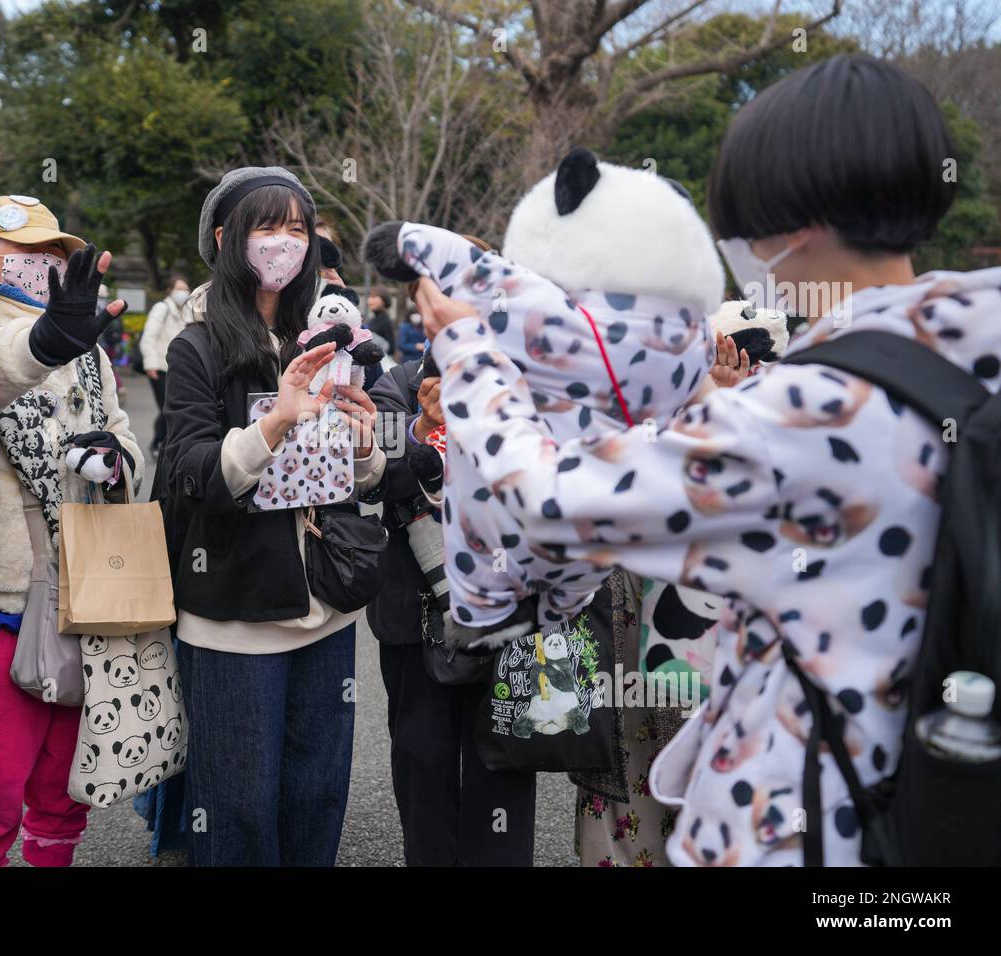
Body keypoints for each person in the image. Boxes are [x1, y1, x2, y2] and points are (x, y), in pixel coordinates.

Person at [413, 54, 975, 866]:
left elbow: (551, 503)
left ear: (797, 222)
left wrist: (469, 353)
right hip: (944, 789)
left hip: (812, 817)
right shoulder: (970, 355)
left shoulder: (810, 409)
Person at [154, 166, 386, 866]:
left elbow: (354, 478)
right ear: (226, 239)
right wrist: (274, 424)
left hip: (327, 608)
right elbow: (186, 472)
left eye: (297, 229)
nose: (285, 244)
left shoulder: (328, 341)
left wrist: (367, 448)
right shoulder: (195, 347)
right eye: (267, 227)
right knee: (238, 811)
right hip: (233, 619)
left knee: (316, 798)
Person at [0, 195, 144, 867]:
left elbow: (123, 431)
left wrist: (119, 461)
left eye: (54, 257)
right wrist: (52, 336)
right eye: (27, 258)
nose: (45, 267)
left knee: (65, 784)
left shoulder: (89, 354)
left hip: (88, 593)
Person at [367, 345, 537, 865]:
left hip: (510, 608)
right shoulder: (395, 386)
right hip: (414, 617)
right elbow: (373, 482)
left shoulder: (531, 384)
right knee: (423, 772)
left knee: (504, 773)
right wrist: (422, 431)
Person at [140, 274, 191, 455]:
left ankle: (162, 442)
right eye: (179, 289)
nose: (183, 293)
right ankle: (158, 443)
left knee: (172, 407)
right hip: (160, 366)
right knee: (167, 407)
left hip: (177, 368)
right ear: (169, 290)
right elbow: (149, 337)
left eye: (185, 289)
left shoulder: (186, 311)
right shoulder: (162, 308)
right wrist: (150, 364)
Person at [365, 286, 396, 358]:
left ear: (384, 300)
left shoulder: (386, 321)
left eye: (374, 297)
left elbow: (391, 349)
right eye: (370, 297)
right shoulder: (373, 319)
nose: (370, 300)